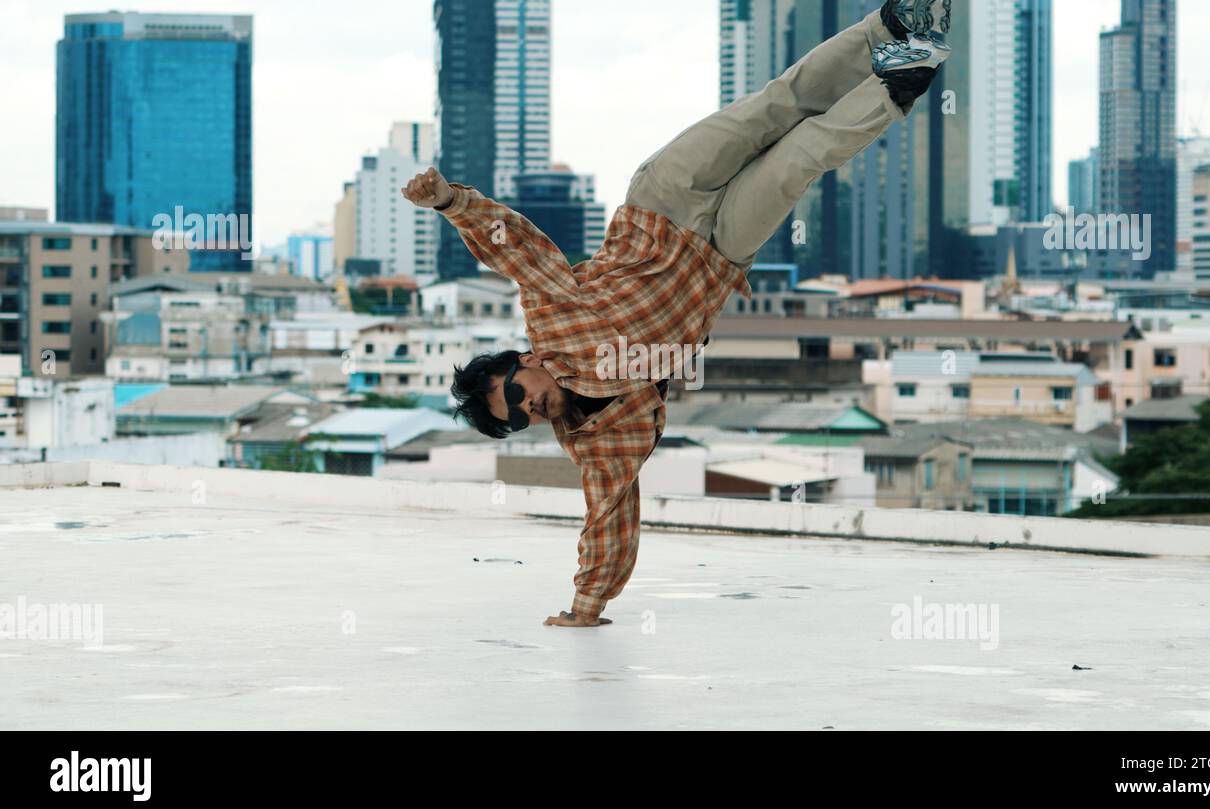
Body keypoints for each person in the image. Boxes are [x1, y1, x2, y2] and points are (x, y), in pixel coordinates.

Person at [401, 0, 953, 627]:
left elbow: (520, 247)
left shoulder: (550, 319)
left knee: (777, 105)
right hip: (719, 255)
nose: (534, 408)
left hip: (660, 203)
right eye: (522, 418)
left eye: (519, 393)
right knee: (800, 158)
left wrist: (450, 201)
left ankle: (892, 24)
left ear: (521, 362)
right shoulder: (600, 439)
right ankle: (901, 77)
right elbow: (610, 516)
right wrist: (587, 607)